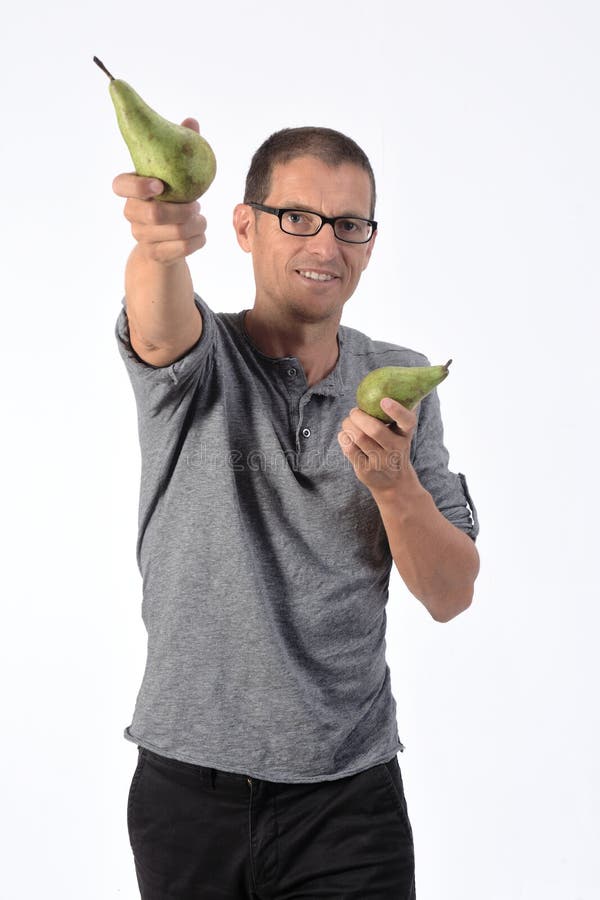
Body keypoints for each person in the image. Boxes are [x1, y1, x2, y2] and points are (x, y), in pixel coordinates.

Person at [113, 121, 480, 900]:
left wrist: (393, 484)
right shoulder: (201, 358)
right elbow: (156, 324)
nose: (326, 244)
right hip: (187, 793)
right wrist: (160, 243)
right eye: (298, 218)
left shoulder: (402, 379)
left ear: (370, 244)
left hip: (349, 797)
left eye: (350, 225)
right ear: (245, 227)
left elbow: (450, 594)